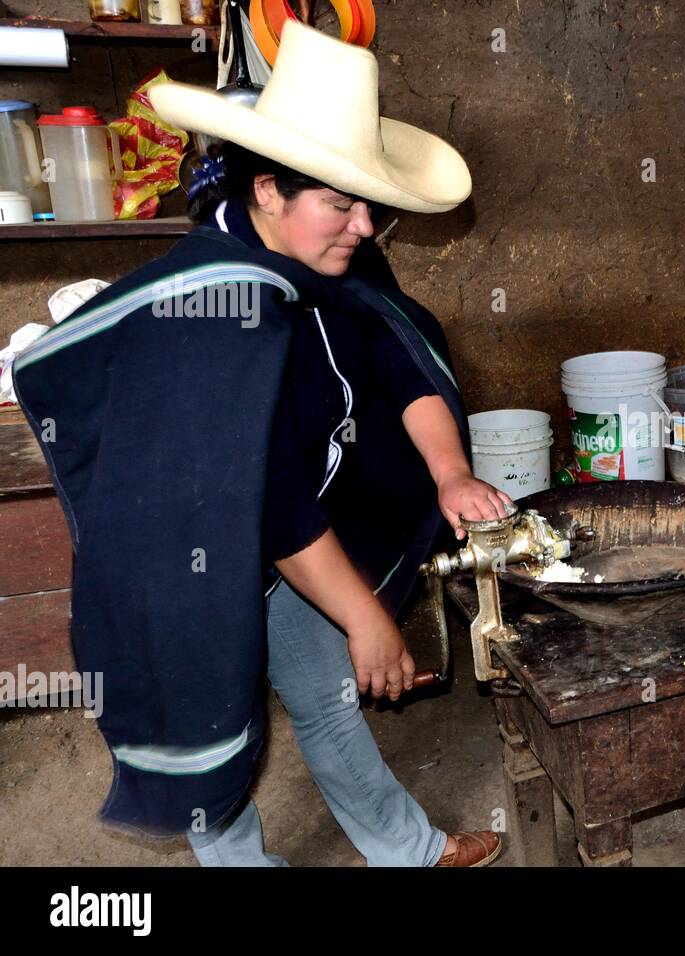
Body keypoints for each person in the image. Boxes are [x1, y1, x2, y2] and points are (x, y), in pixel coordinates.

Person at [12, 22, 506, 867]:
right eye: (340, 204)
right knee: (211, 717)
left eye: (370, 208)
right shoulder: (215, 311)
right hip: (189, 548)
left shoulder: (336, 253)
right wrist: (366, 622)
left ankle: (408, 851)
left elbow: (396, 355)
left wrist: (450, 471)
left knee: (323, 697)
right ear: (268, 190)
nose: (361, 228)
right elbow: (266, 489)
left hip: (290, 537)